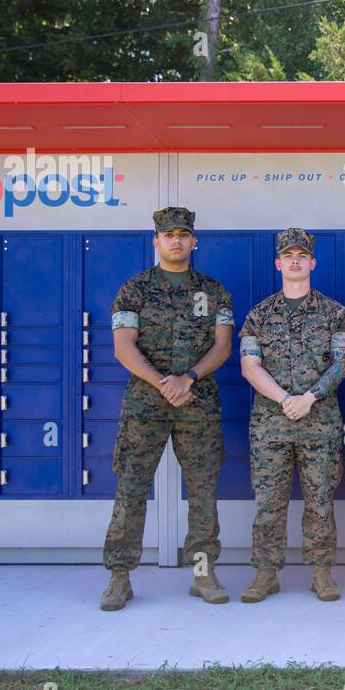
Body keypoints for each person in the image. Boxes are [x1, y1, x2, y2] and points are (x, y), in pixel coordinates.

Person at [101, 207, 234, 611]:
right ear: (155, 241)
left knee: (202, 489)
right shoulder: (133, 290)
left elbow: (223, 345)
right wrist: (164, 382)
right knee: (131, 486)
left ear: (194, 241)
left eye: (183, 233)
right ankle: (119, 578)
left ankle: (202, 574)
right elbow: (124, 347)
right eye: (168, 234)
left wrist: (187, 378)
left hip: (197, 402)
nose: (176, 240)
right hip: (146, 403)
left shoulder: (215, 292)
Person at [238, 227, 345, 603]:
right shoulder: (258, 315)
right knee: (269, 501)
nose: (294, 261)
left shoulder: (334, 314)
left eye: (301, 256)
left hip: (318, 425)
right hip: (271, 426)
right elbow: (249, 366)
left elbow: (341, 364)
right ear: (278, 263)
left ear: (312, 262)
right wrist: (286, 398)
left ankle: (321, 573)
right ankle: (266, 573)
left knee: (320, 500)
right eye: (288, 256)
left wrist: (310, 397)